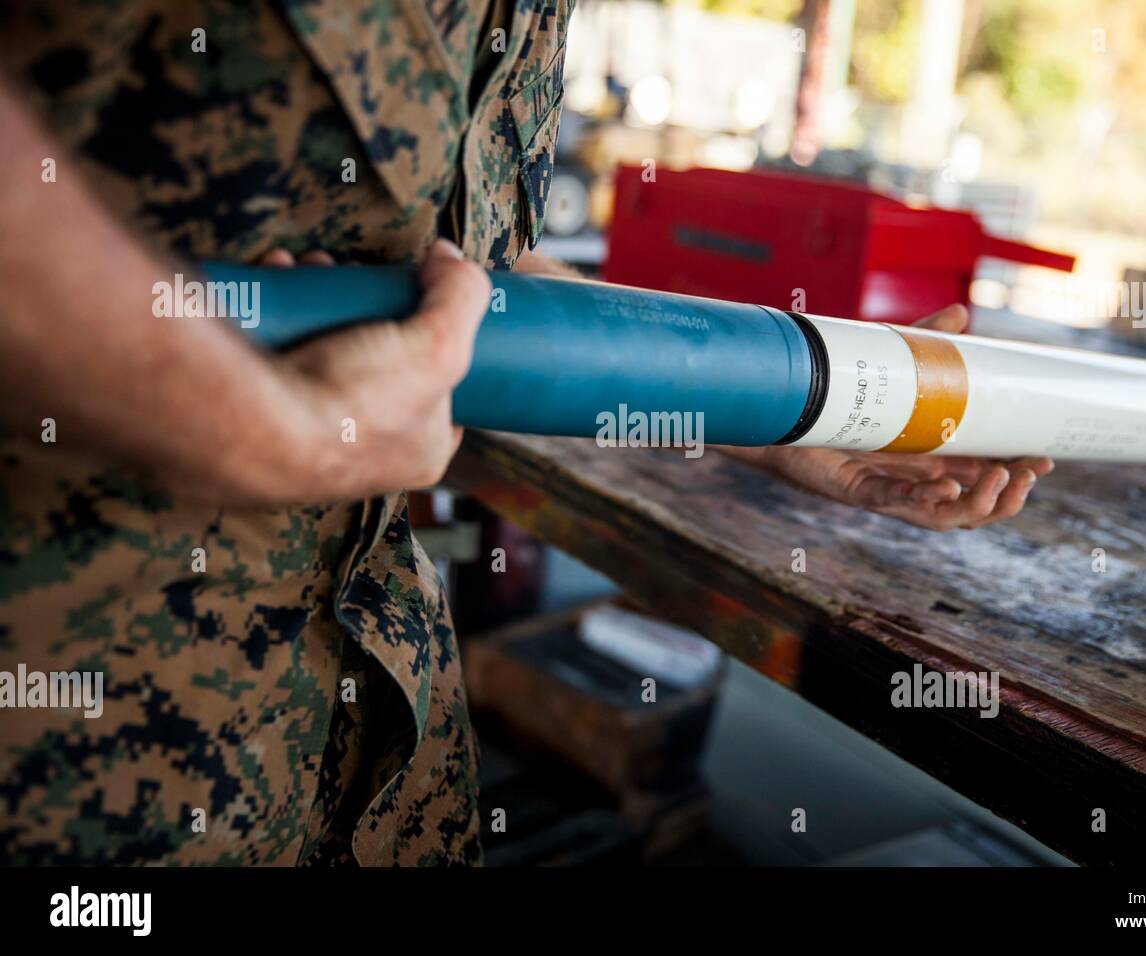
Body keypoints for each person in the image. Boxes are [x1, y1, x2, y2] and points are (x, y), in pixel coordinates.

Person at [0, 0, 1050, 865]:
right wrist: (260, 429)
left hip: (378, 741)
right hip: (82, 758)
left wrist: (773, 415)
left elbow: (468, 286)